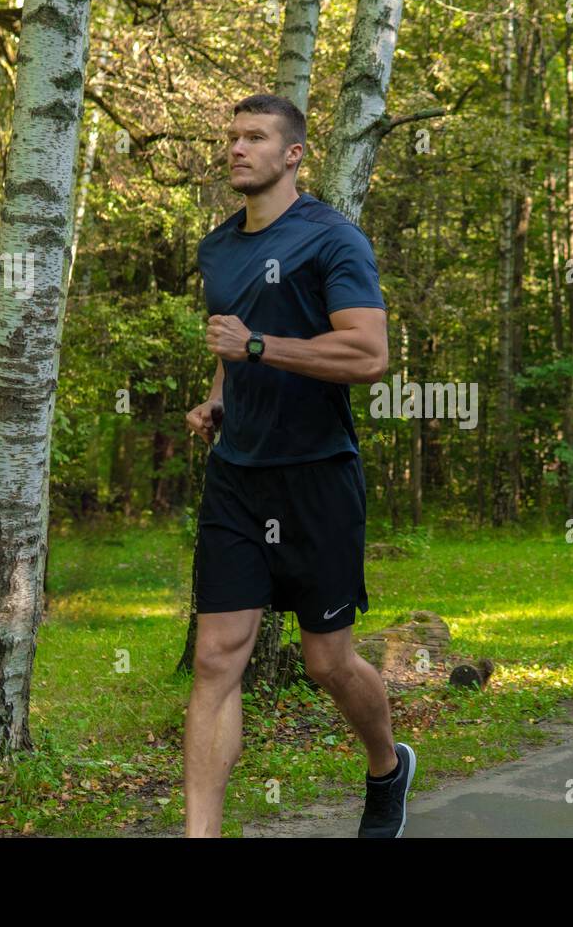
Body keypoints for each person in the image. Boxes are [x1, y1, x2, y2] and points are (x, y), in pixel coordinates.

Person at [182, 93, 416, 838]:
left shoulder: (334, 240)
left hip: (316, 475)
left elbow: (368, 356)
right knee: (218, 658)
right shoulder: (218, 248)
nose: (236, 149)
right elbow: (236, 338)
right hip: (238, 477)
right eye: (231, 137)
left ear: (294, 155)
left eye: (255, 137)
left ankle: (386, 765)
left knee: (327, 663)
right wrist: (221, 395)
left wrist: (257, 348)